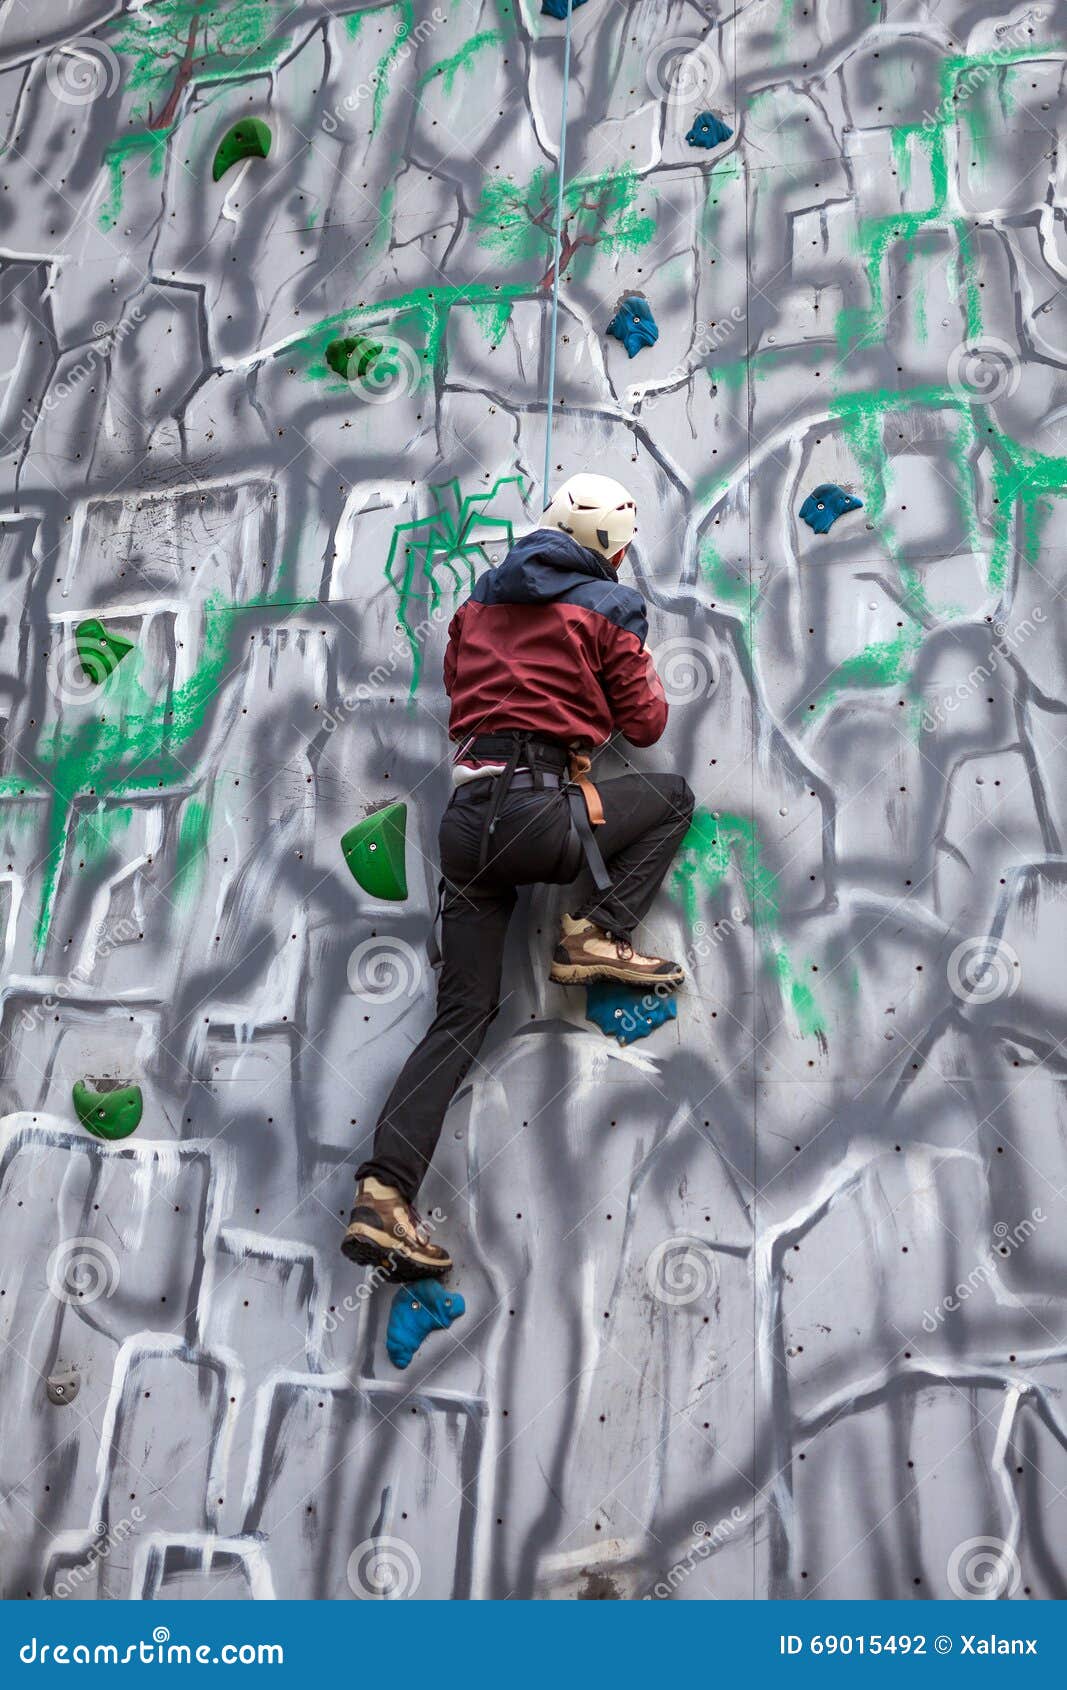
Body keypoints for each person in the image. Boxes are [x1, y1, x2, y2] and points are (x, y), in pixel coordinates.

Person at [342, 473, 695, 1281]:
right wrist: (584, 720)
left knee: (461, 1015)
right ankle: (596, 933)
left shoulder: (474, 609)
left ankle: (384, 1192)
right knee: (671, 799)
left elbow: (470, 694)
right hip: (542, 814)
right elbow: (645, 723)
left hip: (466, 826)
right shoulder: (608, 605)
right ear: (613, 546)